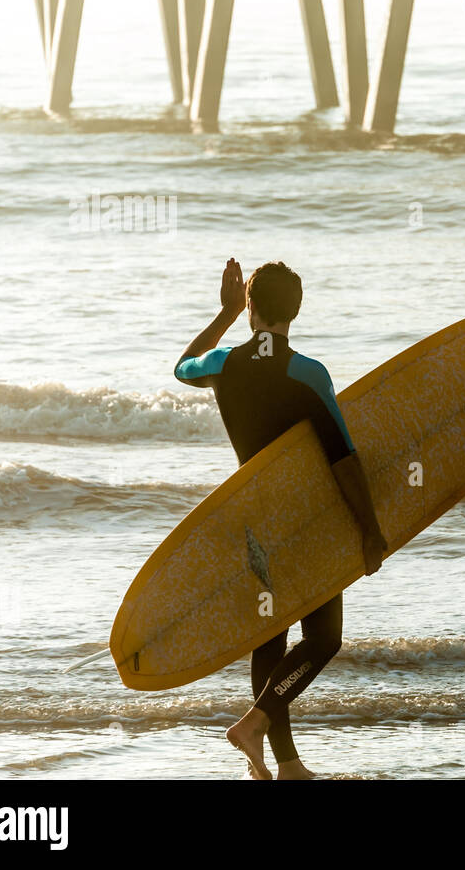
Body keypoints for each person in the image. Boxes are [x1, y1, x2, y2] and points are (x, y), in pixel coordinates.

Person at [173, 258, 387, 780]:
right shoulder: (308, 373)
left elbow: (183, 367)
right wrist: (371, 530)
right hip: (308, 522)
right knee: (323, 639)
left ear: (250, 307)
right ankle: (255, 726)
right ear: (296, 310)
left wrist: (223, 315)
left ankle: (285, 764)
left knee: (269, 640)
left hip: (253, 523)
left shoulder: (222, 365)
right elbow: (343, 457)